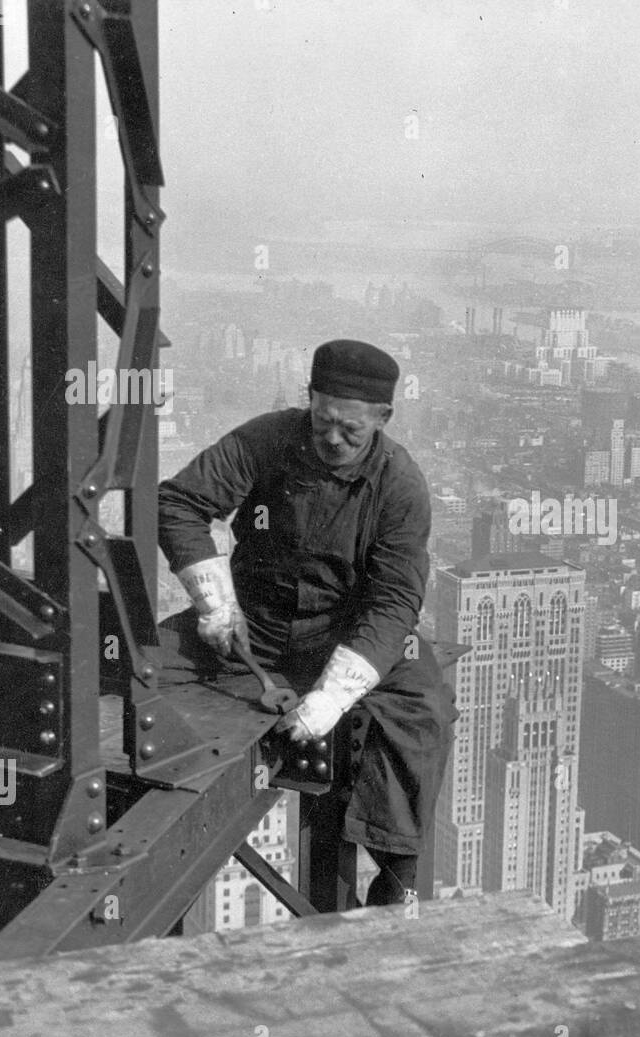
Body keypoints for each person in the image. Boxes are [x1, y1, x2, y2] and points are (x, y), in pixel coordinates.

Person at [157, 339, 457, 909]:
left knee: (423, 708)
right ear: (309, 400)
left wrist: (331, 698)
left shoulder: (399, 484)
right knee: (144, 662)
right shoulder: (265, 439)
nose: (332, 439)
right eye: (322, 421)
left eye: (350, 430)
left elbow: (394, 602)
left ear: (383, 419)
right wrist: (215, 603)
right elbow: (180, 504)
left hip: (343, 638)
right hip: (254, 626)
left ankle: (397, 877)